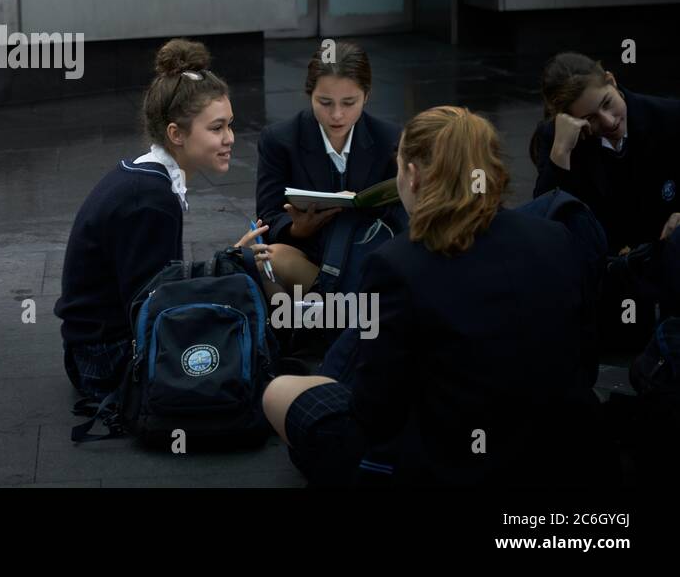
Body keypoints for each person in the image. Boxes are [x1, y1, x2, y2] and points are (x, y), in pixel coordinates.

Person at [262, 106, 611, 486]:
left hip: (448, 464)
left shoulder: (398, 264)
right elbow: (583, 362)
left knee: (280, 393)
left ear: (411, 175)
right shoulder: (555, 237)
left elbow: (375, 412)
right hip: (561, 451)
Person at [53, 39, 267, 399]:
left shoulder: (148, 178)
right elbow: (152, 305)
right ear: (176, 134)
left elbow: (155, 286)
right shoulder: (151, 200)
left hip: (93, 349)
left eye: (230, 125)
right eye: (216, 128)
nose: (230, 138)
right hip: (103, 361)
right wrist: (228, 265)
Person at [529, 52, 680, 347]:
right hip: (611, 271)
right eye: (590, 119)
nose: (609, 121)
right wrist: (560, 153)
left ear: (611, 81)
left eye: (607, 104)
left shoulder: (669, 116)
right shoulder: (557, 138)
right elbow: (545, 221)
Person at [254, 41, 402, 292]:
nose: (336, 115)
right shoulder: (279, 140)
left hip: (369, 258)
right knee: (268, 258)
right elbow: (268, 216)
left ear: (366, 95)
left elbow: (404, 217)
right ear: (309, 94)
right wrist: (296, 229)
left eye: (348, 103)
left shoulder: (390, 139)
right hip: (309, 258)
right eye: (325, 102)